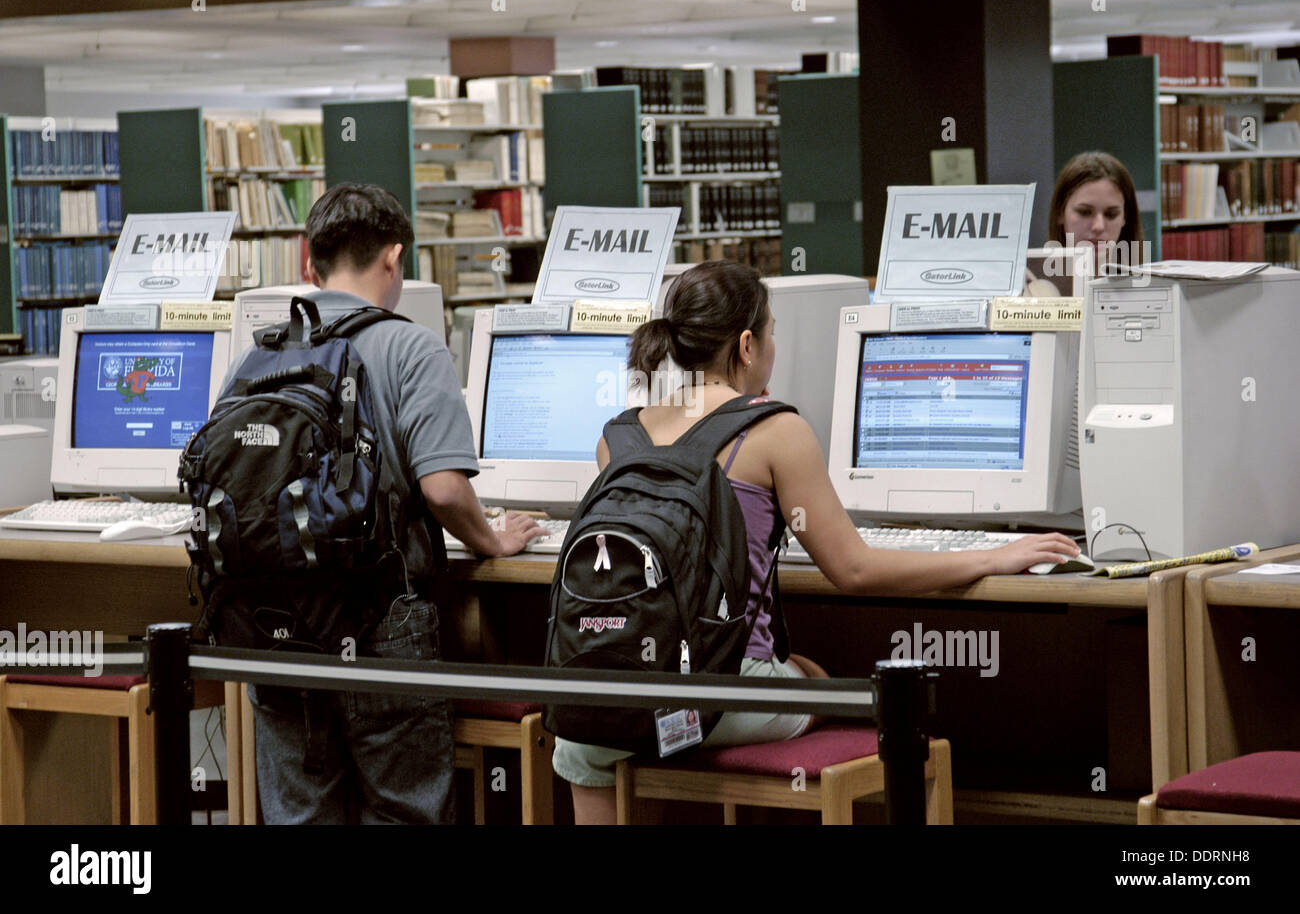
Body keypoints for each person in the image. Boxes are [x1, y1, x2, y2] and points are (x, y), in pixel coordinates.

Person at [552, 260, 1081, 825]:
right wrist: (993, 556)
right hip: (723, 693)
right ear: (748, 345)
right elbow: (853, 570)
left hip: (608, 693)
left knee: (587, 744)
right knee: (817, 677)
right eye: (772, 333)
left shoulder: (619, 435)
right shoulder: (774, 429)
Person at [225, 183, 545, 823]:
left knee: (300, 816)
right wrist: (492, 539)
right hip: (378, 619)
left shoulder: (255, 358)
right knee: (402, 811)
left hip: (271, 623)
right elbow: (445, 489)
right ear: (395, 258)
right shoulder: (412, 347)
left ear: (308, 267)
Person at [1044, 151, 1145, 283]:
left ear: (1124, 217)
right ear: (1060, 212)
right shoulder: (1034, 289)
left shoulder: (1149, 288)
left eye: (1111, 214)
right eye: (1085, 212)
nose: (1099, 226)